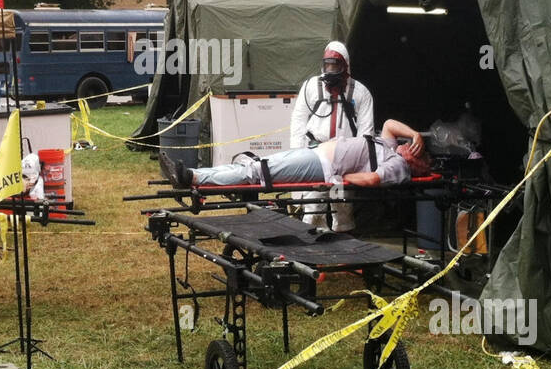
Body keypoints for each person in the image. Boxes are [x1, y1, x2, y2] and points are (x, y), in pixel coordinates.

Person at [161, 118, 429, 194]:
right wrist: (415, 133)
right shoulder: (390, 145)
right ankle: (192, 176)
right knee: (257, 167)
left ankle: (192, 176)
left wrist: (344, 175)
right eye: (410, 144)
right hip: (317, 155)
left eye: (413, 149)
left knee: (257, 173)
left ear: (414, 162)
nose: (407, 145)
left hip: (323, 165)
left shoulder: (397, 165)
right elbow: (392, 123)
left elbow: (371, 179)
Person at [288, 41, 375, 230]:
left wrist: (358, 164)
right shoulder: (311, 87)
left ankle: (343, 250)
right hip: (315, 157)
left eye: (335, 65)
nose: (330, 70)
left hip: (344, 160)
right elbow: (298, 122)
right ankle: (313, 252)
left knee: (342, 207)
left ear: (345, 66)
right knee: (313, 208)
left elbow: (365, 132)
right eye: (327, 65)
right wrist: (297, 156)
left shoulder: (360, 93)